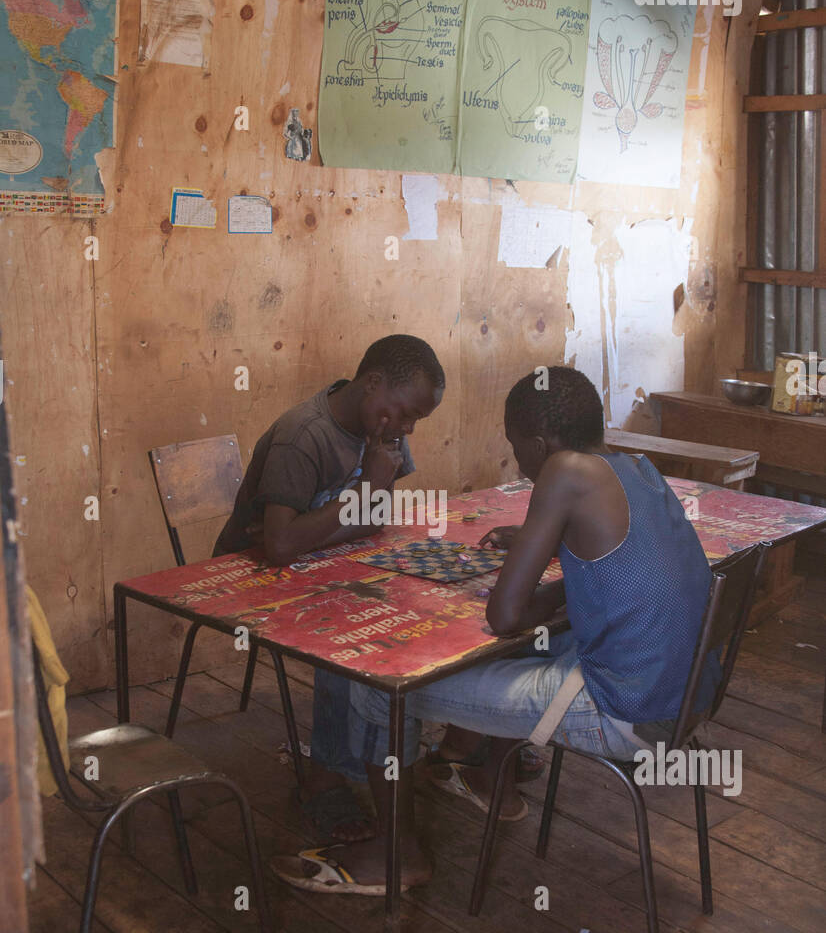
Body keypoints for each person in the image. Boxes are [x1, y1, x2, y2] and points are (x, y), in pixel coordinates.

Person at [271, 365, 720, 894]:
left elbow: (503, 616)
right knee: (527, 645)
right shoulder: (639, 468)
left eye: (515, 446)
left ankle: (398, 857)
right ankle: (487, 779)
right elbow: (613, 575)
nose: (519, 461)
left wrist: (528, 579)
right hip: (688, 699)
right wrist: (542, 565)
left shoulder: (565, 471)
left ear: (538, 441)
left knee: (382, 688)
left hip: (624, 711)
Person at [213, 334, 445, 841]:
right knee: (350, 640)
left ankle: (380, 751)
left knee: (408, 612)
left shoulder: (383, 432)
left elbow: (373, 522)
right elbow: (277, 546)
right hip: (247, 575)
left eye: (415, 423)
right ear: (373, 383)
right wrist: (360, 496)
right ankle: (323, 778)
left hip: (319, 560)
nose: (406, 430)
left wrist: (338, 518)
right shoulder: (304, 434)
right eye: (405, 414)